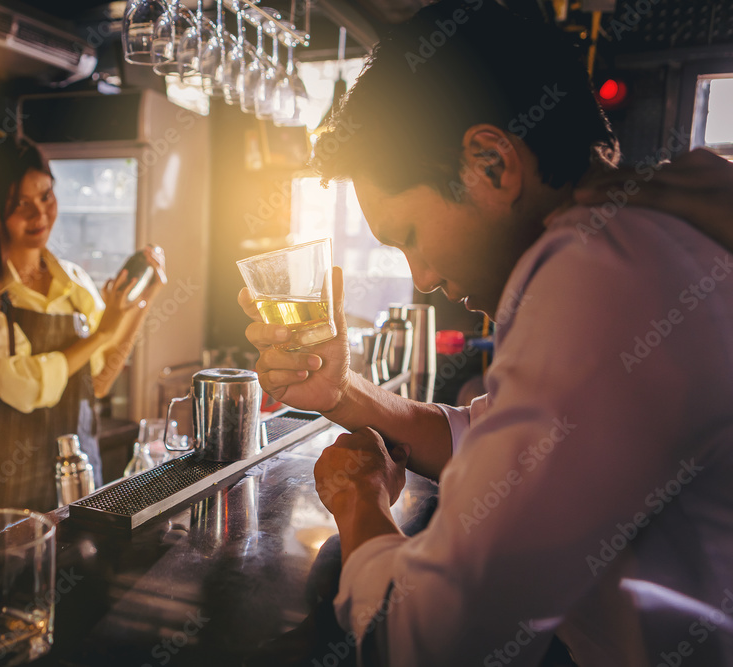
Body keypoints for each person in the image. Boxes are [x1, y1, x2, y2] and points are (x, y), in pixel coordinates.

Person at [240, 1, 733, 664]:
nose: (422, 274)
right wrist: (341, 393)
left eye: (410, 237)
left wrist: (360, 508)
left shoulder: (598, 270)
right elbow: (490, 436)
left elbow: (434, 640)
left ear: (493, 163)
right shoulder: (638, 239)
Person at [0, 142, 166, 511]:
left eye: (46, 196)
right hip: (6, 494)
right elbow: (18, 386)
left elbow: (99, 380)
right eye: (20, 205)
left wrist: (143, 301)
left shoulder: (74, 282)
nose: (40, 215)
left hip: (80, 481)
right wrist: (102, 333)